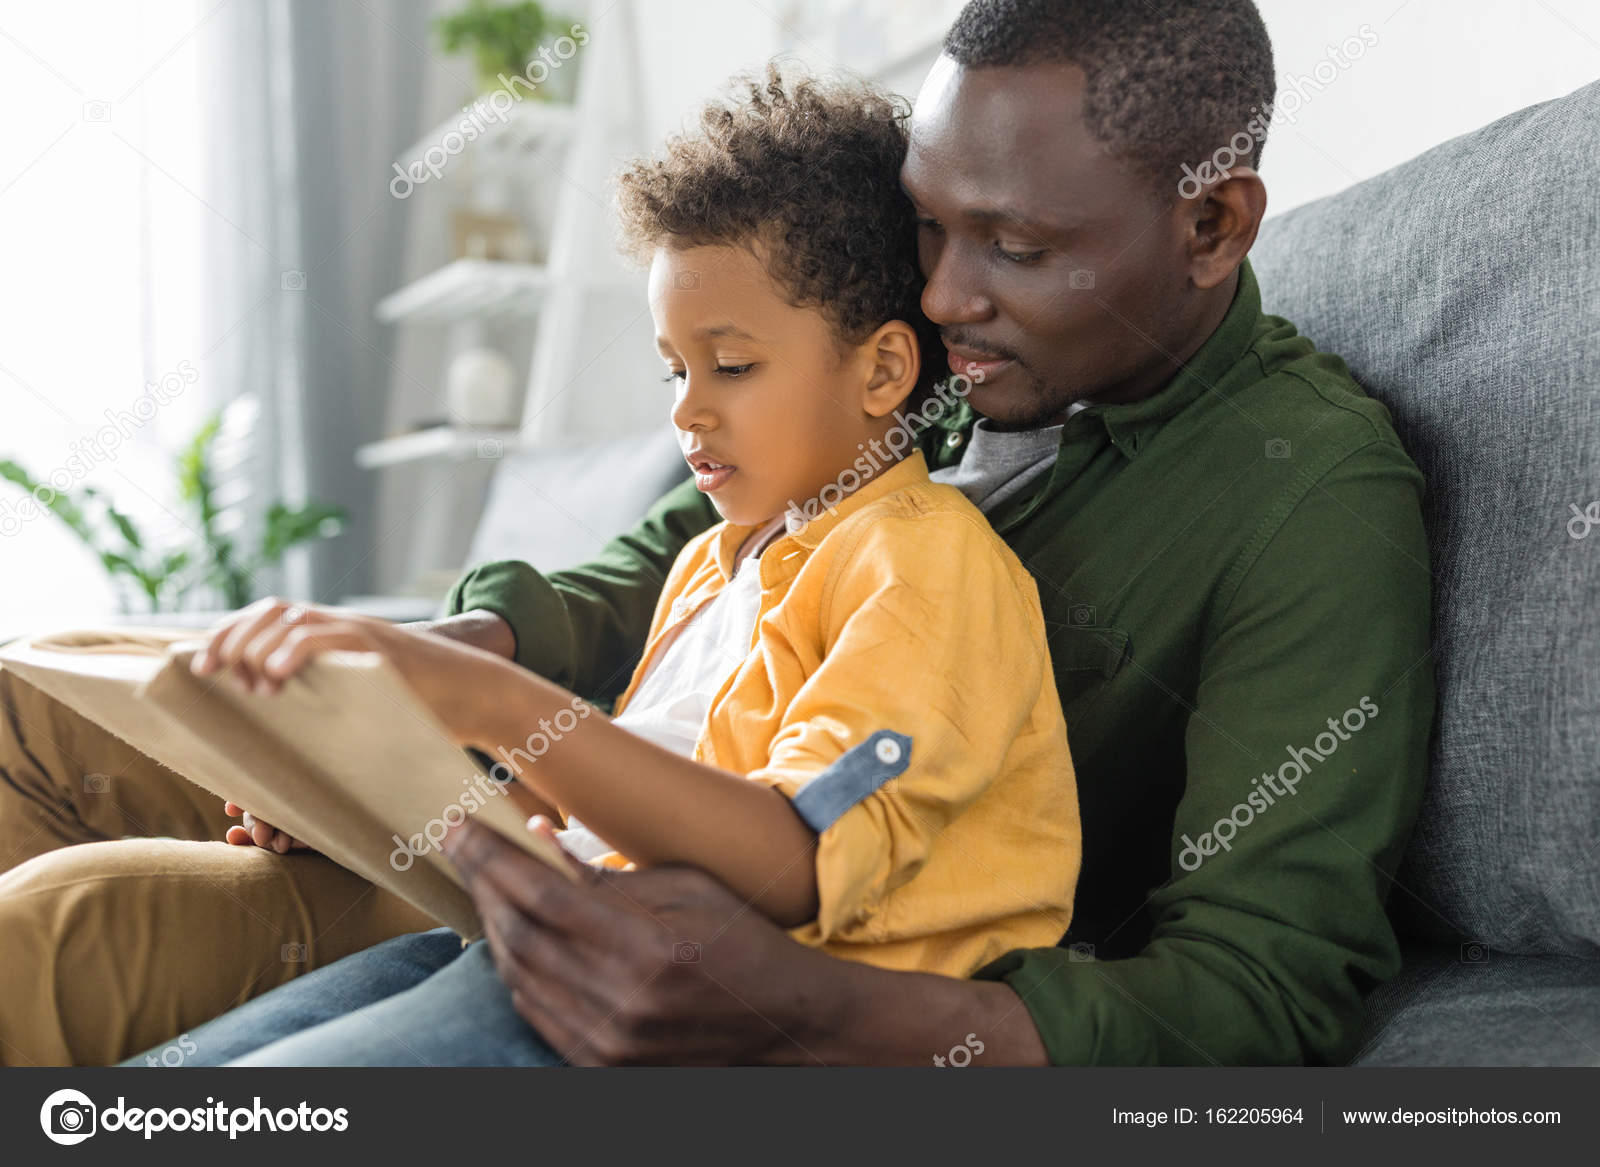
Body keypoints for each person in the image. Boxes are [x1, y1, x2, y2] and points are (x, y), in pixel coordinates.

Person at [8, 0, 1434, 1068]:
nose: (938, 300)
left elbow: (1262, 989)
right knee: (33, 704)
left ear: (1212, 224)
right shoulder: (927, 378)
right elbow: (672, 571)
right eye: (928, 230)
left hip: (770, 939)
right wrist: (401, 700)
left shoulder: (1307, 495)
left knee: (85, 944)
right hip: (554, 853)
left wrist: (827, 1010)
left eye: (1015, 246)